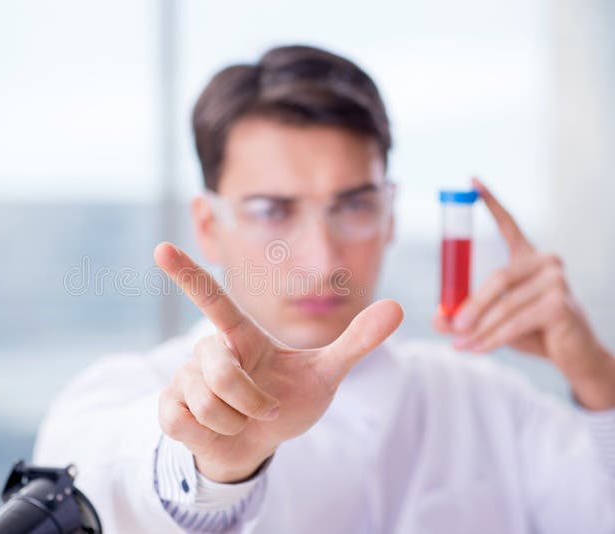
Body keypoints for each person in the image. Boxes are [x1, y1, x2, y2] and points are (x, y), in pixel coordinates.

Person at [33, 45, 615, 533]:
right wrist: (213, 466)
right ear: (208, 227)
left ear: (390, 216)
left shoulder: (485, 402)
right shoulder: (114, 398)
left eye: (355, 205)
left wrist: (598, 380)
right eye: (272, 210)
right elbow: (107, 487)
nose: (323, 259)